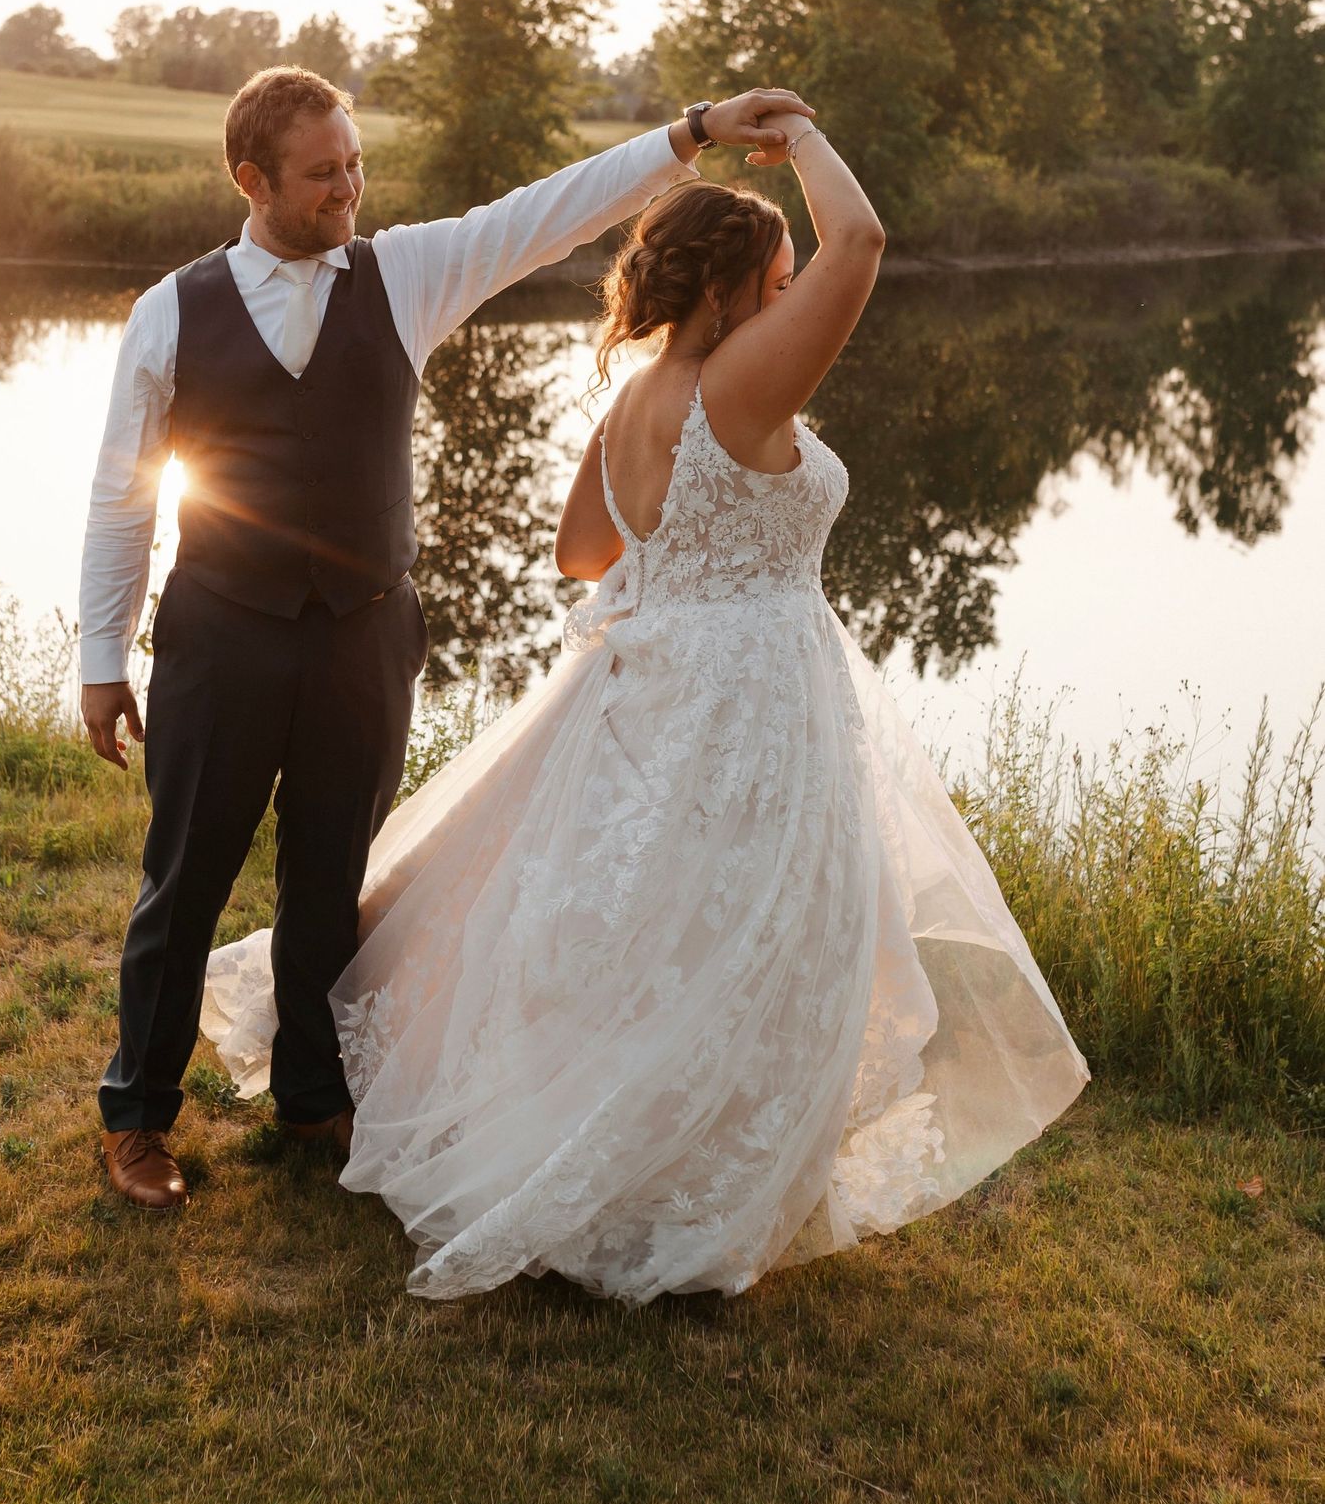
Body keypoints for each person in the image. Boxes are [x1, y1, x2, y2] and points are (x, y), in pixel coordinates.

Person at [202, 106, 1092, 1302]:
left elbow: (582, 551)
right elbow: (865, 245)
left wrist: (678, 576)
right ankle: (679, 1177)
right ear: (732, 288)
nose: (792, 299)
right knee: (742, 935)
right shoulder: (739, 380)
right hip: (753, 694)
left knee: (646, 931)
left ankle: (639, 1157)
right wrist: (811, 139)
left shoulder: (636, 393)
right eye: (778, 280)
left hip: (657, 677)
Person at [79, 65, 815, 1209]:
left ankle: (316, 1098)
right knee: (186, 884)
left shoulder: (405, 272)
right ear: (251, 180)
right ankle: (138, 1120)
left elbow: (544, 214)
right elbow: (122, 497)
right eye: (323, 175)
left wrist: (696, 134)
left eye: (355, 162)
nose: (349, 190)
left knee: (334, 883)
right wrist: (101, 662)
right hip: (220, 636)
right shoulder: (172, 310)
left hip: (366, 638)